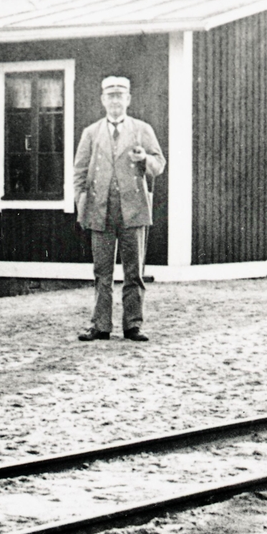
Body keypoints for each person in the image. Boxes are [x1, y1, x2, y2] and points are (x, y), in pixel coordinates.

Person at [73, 75, 166, 342]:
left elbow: (159, 165)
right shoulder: (90, 133)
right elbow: (79, 172)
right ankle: (101, 325)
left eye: (120, 96)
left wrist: (144, 158)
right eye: (110, 97)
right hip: (100, 209)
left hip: (133, 208)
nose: (115, 102)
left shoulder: (142, 130)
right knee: (102, 271)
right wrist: (81, 205)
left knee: (133, 270)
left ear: (128, 100)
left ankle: (133, 325)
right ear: (103, 101)